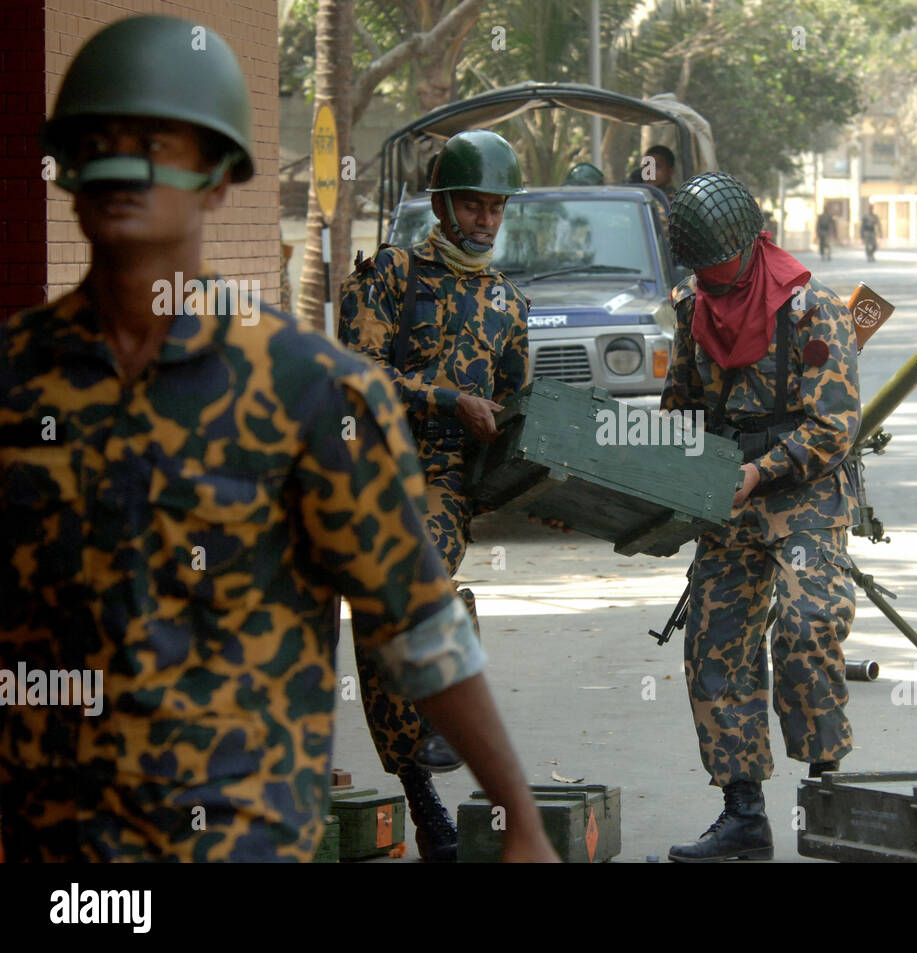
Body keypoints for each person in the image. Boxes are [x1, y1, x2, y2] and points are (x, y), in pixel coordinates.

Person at [0, 14, 557, 863]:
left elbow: (414, 617)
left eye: (160, 141)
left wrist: (517, 811)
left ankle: (427, 788)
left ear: (219, 178)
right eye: (100, 139)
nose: (125, 163)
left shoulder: (308, 391)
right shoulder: (15, 385)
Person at [338, 128, 530, 862]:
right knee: (379, 624)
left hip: (442, 481)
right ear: (444, 205)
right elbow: (357, 373)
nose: (485, 220)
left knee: (416, 582)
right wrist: (446, 398)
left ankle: (446, 703)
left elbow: (516, 411)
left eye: (495, 208)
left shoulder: (507, 304)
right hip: (368, 466)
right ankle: (421, 794)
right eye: (473, 206)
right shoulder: (390, 273)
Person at [660, 172, 861, 862]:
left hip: (800, 488)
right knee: (714, 647)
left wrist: (759, 472)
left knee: (809, 625)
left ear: (750, 247)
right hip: (727, 494)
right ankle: (743, 814)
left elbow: (835, 428)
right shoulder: (692, 307)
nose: (714, 291)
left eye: (722, 277)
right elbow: (680, 411)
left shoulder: (813, 310)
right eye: (702, 280)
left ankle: (830, 793)